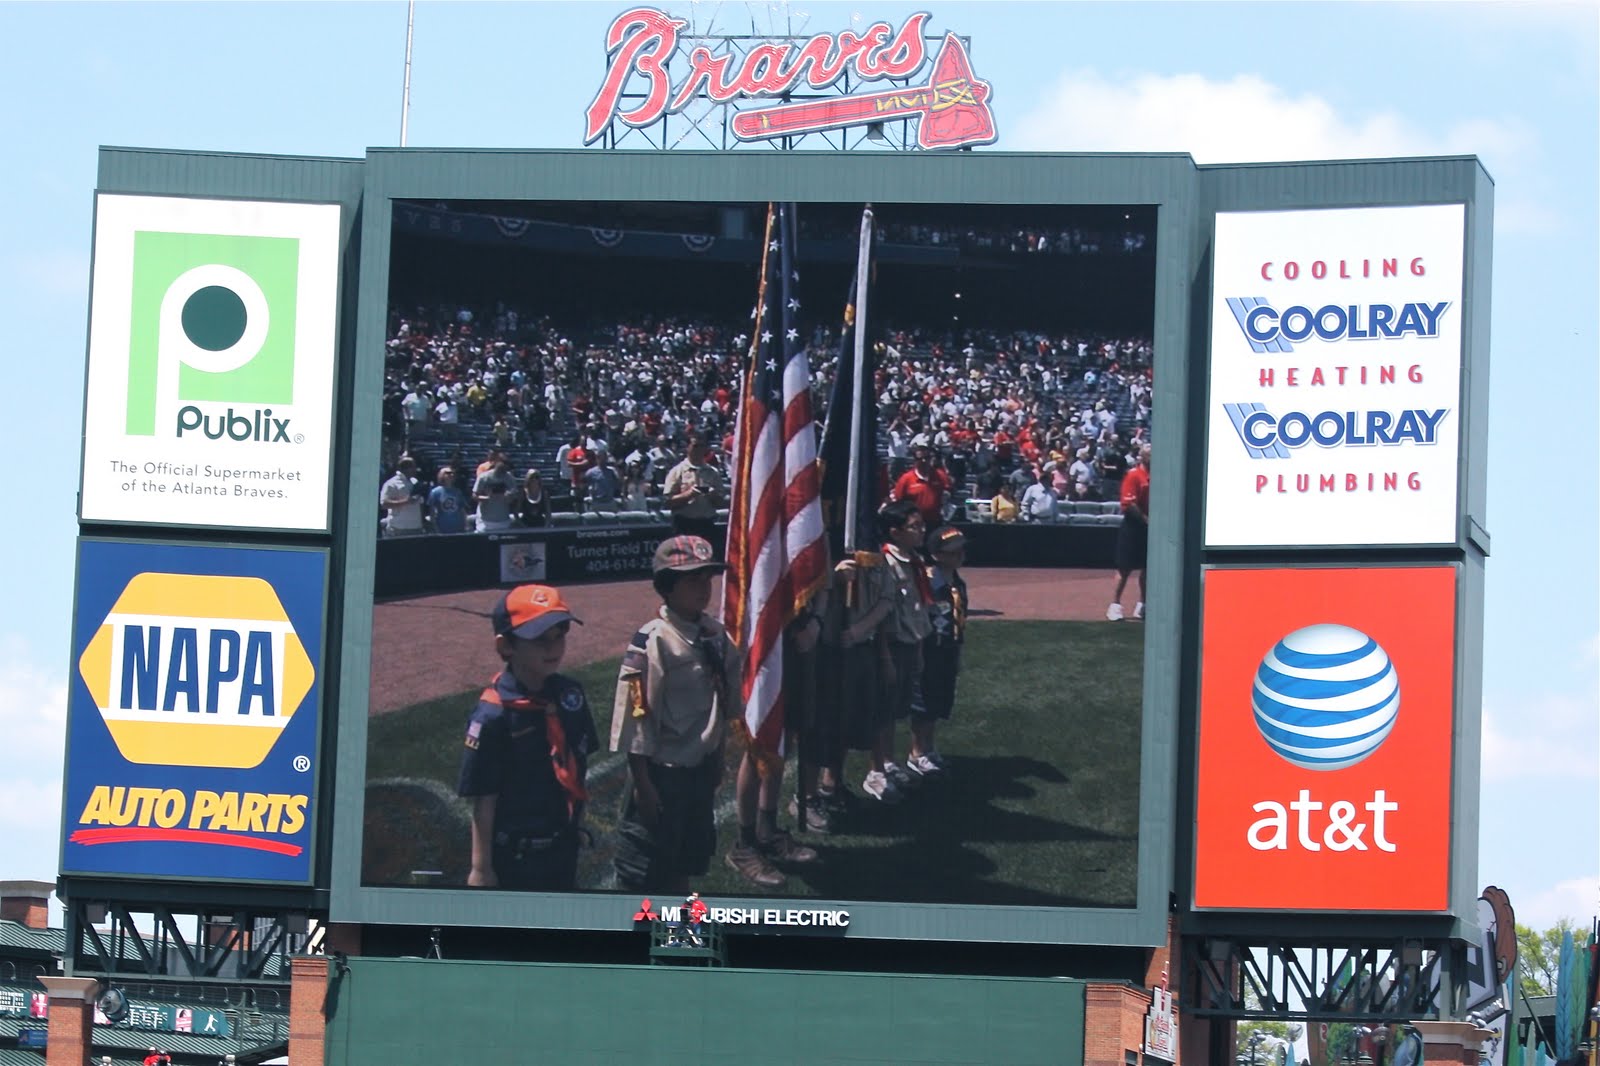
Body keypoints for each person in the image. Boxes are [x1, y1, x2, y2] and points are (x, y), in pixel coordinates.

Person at [610, 536, 736, 894]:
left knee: (685, 859)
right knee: (644, 869)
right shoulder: (654, 642)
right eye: (692, 579)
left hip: (699, 771)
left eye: (707, 578)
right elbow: (637, 717)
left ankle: (678, 932)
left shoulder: (715, 635)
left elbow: (722, 702)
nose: (703, 587)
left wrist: (718, 757)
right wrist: (644, 785)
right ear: (667, 586)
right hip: (662, 777)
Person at [457, 585, 596, 890]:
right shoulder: (494, 714)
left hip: (562, 848)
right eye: (539, 639)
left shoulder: (570, 695)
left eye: (560, 635)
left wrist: (577, 824)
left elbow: (578, 765)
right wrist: (481, 869)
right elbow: (485, 798)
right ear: (506, 645)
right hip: (516, 857)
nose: (554, 647)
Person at [868, 500, 931, 801]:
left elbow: (917, 610)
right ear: (894, 532)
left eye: (921, 525)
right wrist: (884, 656)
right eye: (914, 526)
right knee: (882, 709)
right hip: (890, 646)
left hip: (909, 643)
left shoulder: (914, 560)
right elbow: (883, 614)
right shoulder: (885, 563)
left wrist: (918, 648)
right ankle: (876, 769)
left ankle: (890, 762)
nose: (921, 531)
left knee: (896, 709)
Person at [907, 526, 967, 778]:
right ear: (937, 554)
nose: (960, 555)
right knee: (924, 702)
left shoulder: (958, 583)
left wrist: (959, 649)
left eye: (961, 550)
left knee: (940, 700)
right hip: (930, 648)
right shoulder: (929, 581)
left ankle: (929, 748)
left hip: (949, 648)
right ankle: (916, 752)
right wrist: (919, 651)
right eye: (953, 551)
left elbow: (959, 618)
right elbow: (919, 616)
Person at [1107, 443, 1151, 621]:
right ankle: (1115, 604)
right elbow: (1129, 504)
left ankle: (1142, 605)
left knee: (1148, 569)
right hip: (1133, 527)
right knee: (1124, 569)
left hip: (1150, 528)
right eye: (1150, 455)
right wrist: (1146, 519)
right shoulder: (1134, 476)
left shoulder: (1156, 475)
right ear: (1143, 457)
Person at [661, 433, 726, 543]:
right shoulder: (677, 471)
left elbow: (720, 503)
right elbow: (667, 502)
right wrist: (689, 494)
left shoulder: (713, 472)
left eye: (702, 446)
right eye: (695, 446)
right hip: (684, 524)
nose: (699, 450)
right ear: (688, 447)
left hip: (706, 524)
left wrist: (712, 495)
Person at [891, 447, 953, 527]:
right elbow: (899, 502)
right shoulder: (906, 479)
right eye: (920, 458)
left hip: (935, 522)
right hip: (914, 524)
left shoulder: (940, 476)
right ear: (915, 460)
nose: (924, 461)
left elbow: (948, 494)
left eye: (927, 458)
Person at [380, 456, 424, 536]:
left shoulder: (415, 482)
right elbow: (384, 504)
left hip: (415, 527)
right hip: (398, 528)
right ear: (405, 468)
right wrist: (405, 501)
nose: (415, 470)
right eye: (412, 467)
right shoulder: (392, 483)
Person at [473, 459, 516, 532]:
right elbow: (474, 496)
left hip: (503, 521)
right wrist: (487, 498)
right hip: (485, 522)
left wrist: (508, 496)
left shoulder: (509, 477)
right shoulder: (484, 477)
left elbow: (514, 495)